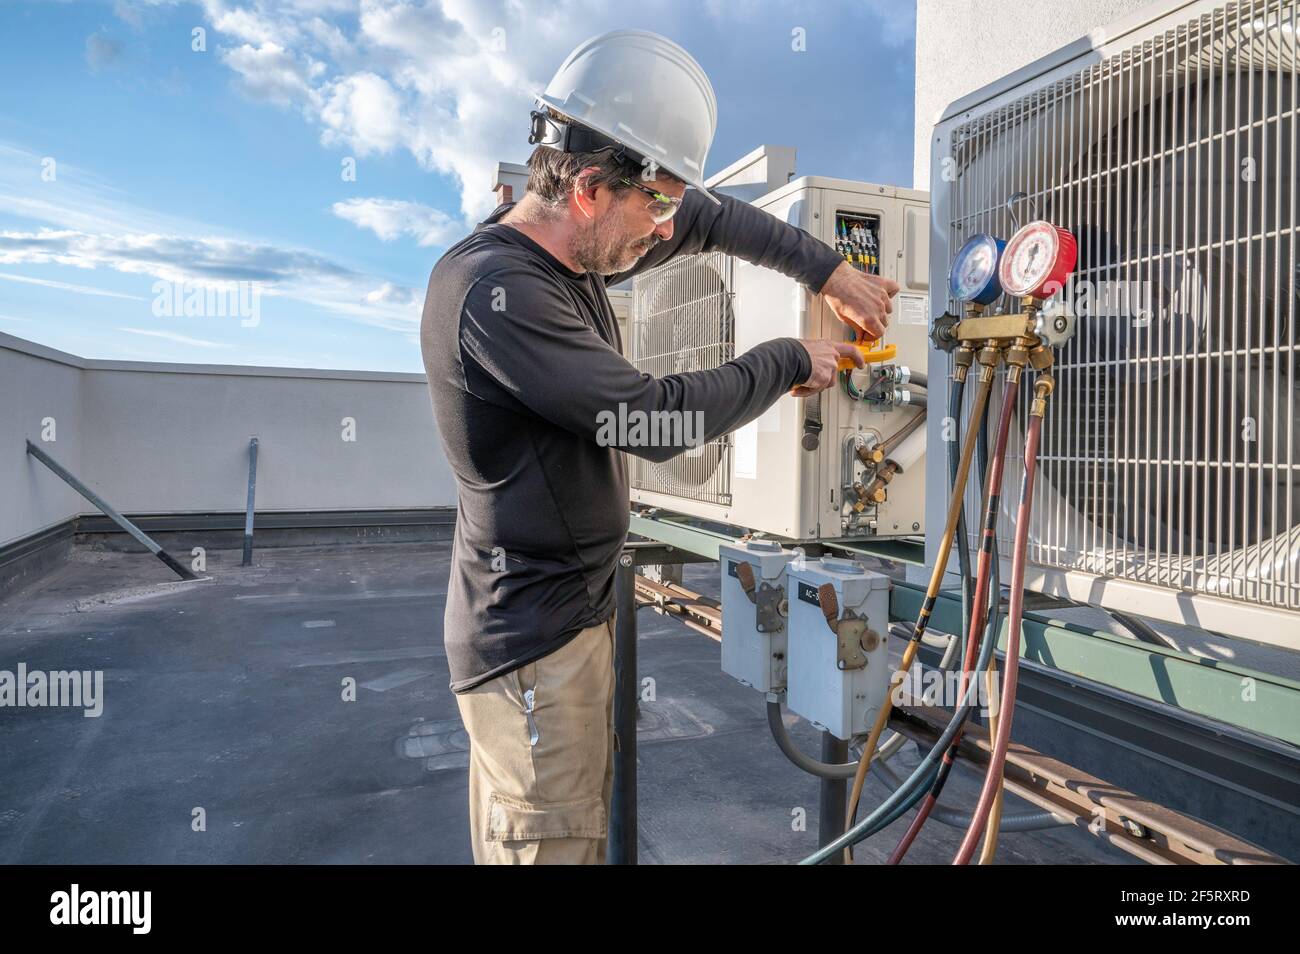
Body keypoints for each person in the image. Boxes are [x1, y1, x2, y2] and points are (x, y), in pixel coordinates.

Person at [421, 29, 898, 864]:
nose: (665, 232)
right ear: (591, 190)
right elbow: (648, 419)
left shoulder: (583, 250)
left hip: (568, 623)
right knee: (547, 839)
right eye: (655, 211)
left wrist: (828, 274)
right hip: (531, 644)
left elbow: (715, 219)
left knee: (568, 829)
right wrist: (786, 360)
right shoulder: (496, 291)